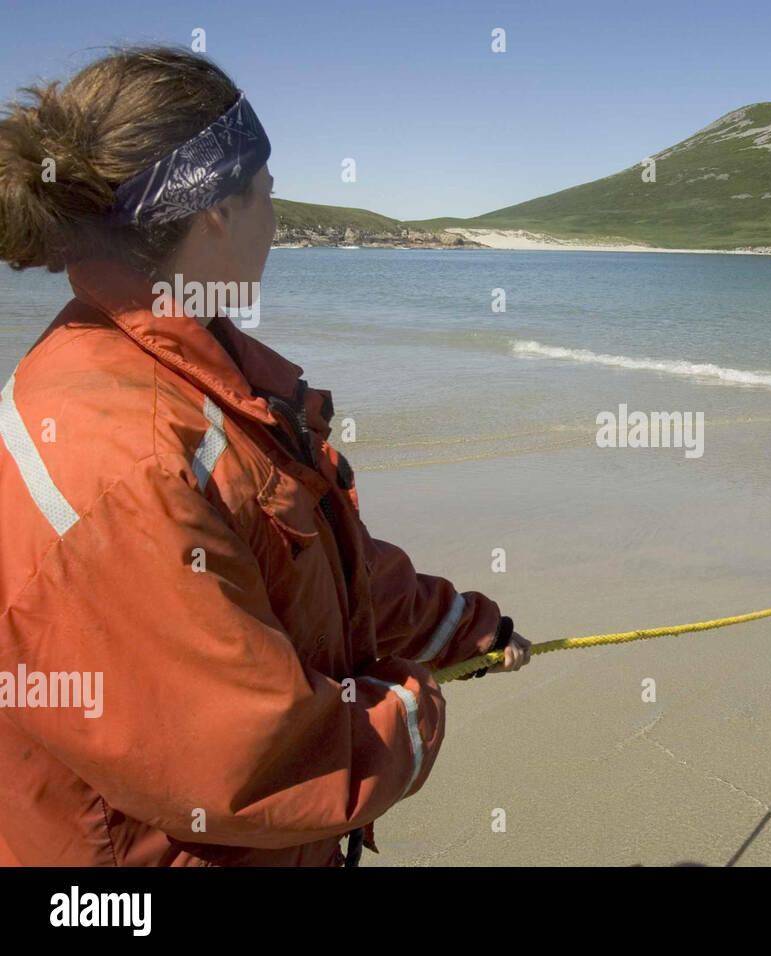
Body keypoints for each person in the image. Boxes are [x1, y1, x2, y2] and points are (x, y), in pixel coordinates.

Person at [0, 47, 530, 866]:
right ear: (216, 210)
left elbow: (314, 563)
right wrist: (414, 711)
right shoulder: (131, 460)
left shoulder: (195, 367)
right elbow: (255, 762)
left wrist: (463, 628)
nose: (275, 222)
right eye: (269, 195)